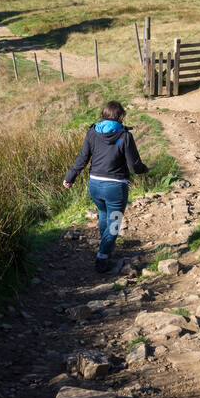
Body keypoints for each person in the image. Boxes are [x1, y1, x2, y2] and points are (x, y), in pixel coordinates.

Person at [63, 101, 148, 273]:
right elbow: (134, 165)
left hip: (94, 185)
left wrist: (70, 177)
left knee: (103, 214)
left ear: (103, 115)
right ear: (121, 117)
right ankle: (102, 258)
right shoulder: (125, 136)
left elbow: (83, 158)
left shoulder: (92, 132)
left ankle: (106, 247)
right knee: (114, 224)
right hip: (115, 188)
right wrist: (144, 169)